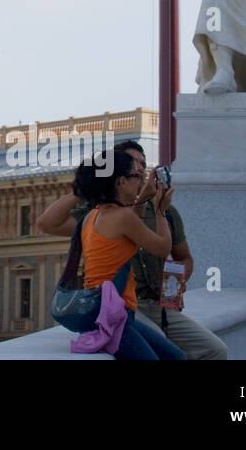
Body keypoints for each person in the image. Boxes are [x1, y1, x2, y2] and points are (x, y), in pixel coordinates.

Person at [39, 141, 228, 360]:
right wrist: (159, 211)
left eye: (143, 167)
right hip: (119, 308)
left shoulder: (110, 213)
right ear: (118, 179)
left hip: (155, 304)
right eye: (134, 170)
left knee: (213, 350)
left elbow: (181, 257)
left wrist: (172, 292)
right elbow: (47, 223)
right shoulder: (106, 213)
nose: (141, 173)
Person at [62, 152, 185, 360]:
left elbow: (129, 228)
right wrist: (161, 210)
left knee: (176, 357)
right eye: (137, 175)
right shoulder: (122, 217)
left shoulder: (94, 214)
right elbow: (163, 247)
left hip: (105, 311)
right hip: (112, 315)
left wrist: (144, 197)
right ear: (121, 182)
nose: (142, 180)